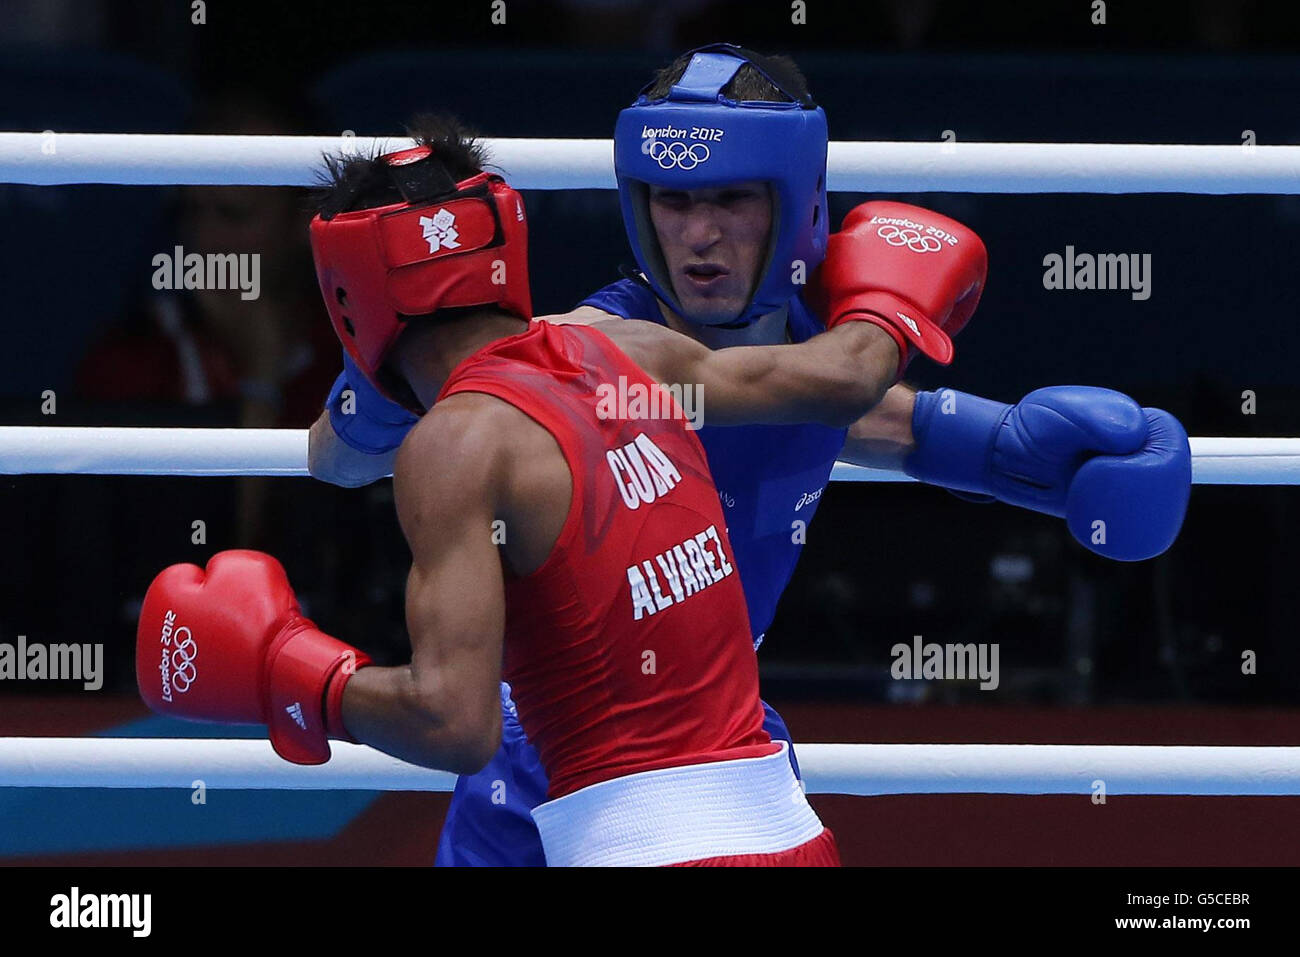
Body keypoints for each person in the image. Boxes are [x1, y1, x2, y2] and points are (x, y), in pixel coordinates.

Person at [308, 45, 1192, 866]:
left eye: (731, 198)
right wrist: (385, 367)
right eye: (675, 200)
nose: (699, 234)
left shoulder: (786, 358)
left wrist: (1040, 466)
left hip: (715, 743)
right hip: (540, 748)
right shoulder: (594, 348)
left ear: (795, 197)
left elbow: (869, 414)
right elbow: (345, 458)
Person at [135, 116, 986, 866]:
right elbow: (841, 380)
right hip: (790, 836)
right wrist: (884, 309)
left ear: (349, 296)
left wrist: (294, 674)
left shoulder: (456, 443)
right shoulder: (632, 352)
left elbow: (455, 724)